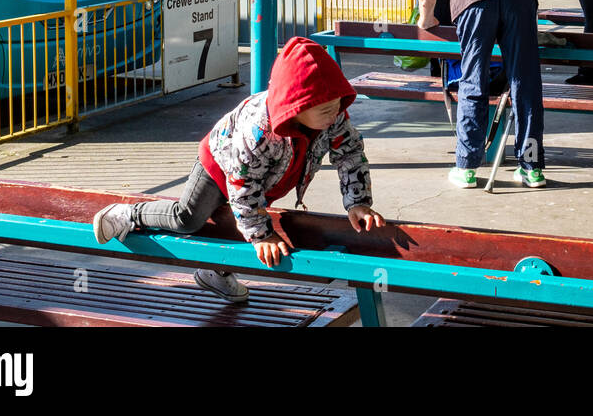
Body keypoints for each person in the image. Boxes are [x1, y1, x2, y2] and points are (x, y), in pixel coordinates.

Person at [92, 37, 385, 302]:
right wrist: (262, 236)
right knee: (188, 218)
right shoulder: (259, 132)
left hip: (267, 176)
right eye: (323, 109)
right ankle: (127, 214)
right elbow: (243, 185)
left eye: (337, 105)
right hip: (219, 165)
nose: (333, 113)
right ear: (296, 105)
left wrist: (357, 203)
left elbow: (349, 154)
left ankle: (214, 272)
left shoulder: (332, 118)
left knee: (236, 218)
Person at [417, 0, 545, 190]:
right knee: (525, 82)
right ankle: (531, 168)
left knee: (473, 79)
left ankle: (466, 166)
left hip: (474, 0)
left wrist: (426, 20)